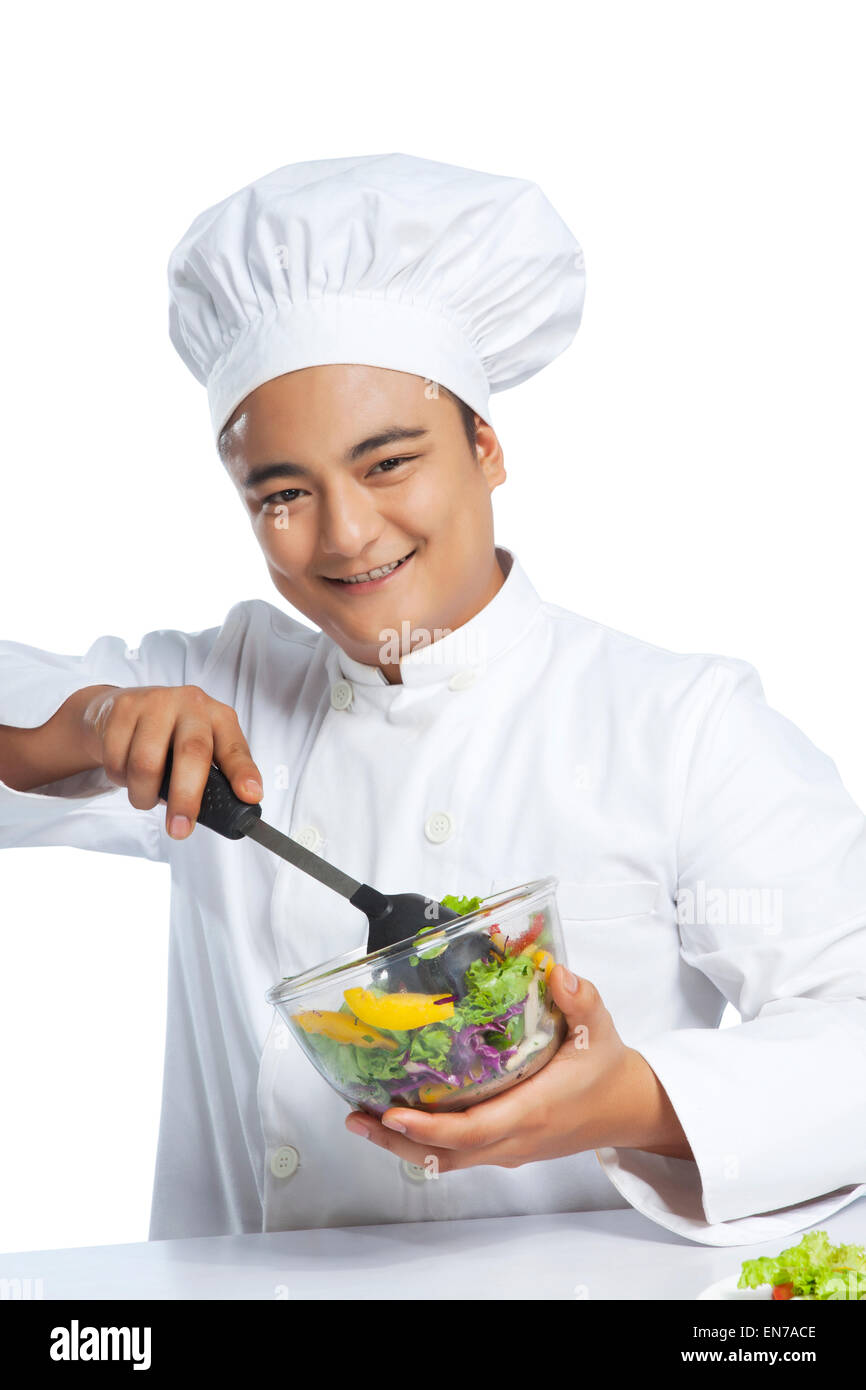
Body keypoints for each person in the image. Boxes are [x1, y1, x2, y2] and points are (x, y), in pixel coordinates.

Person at [1, 153, 864, 1249]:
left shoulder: (676, 723)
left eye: (388, 462)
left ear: (485, 447)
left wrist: (630, 1100)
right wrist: (78, 726)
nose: (346, 532)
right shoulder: (220, 692)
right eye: (283, 493)